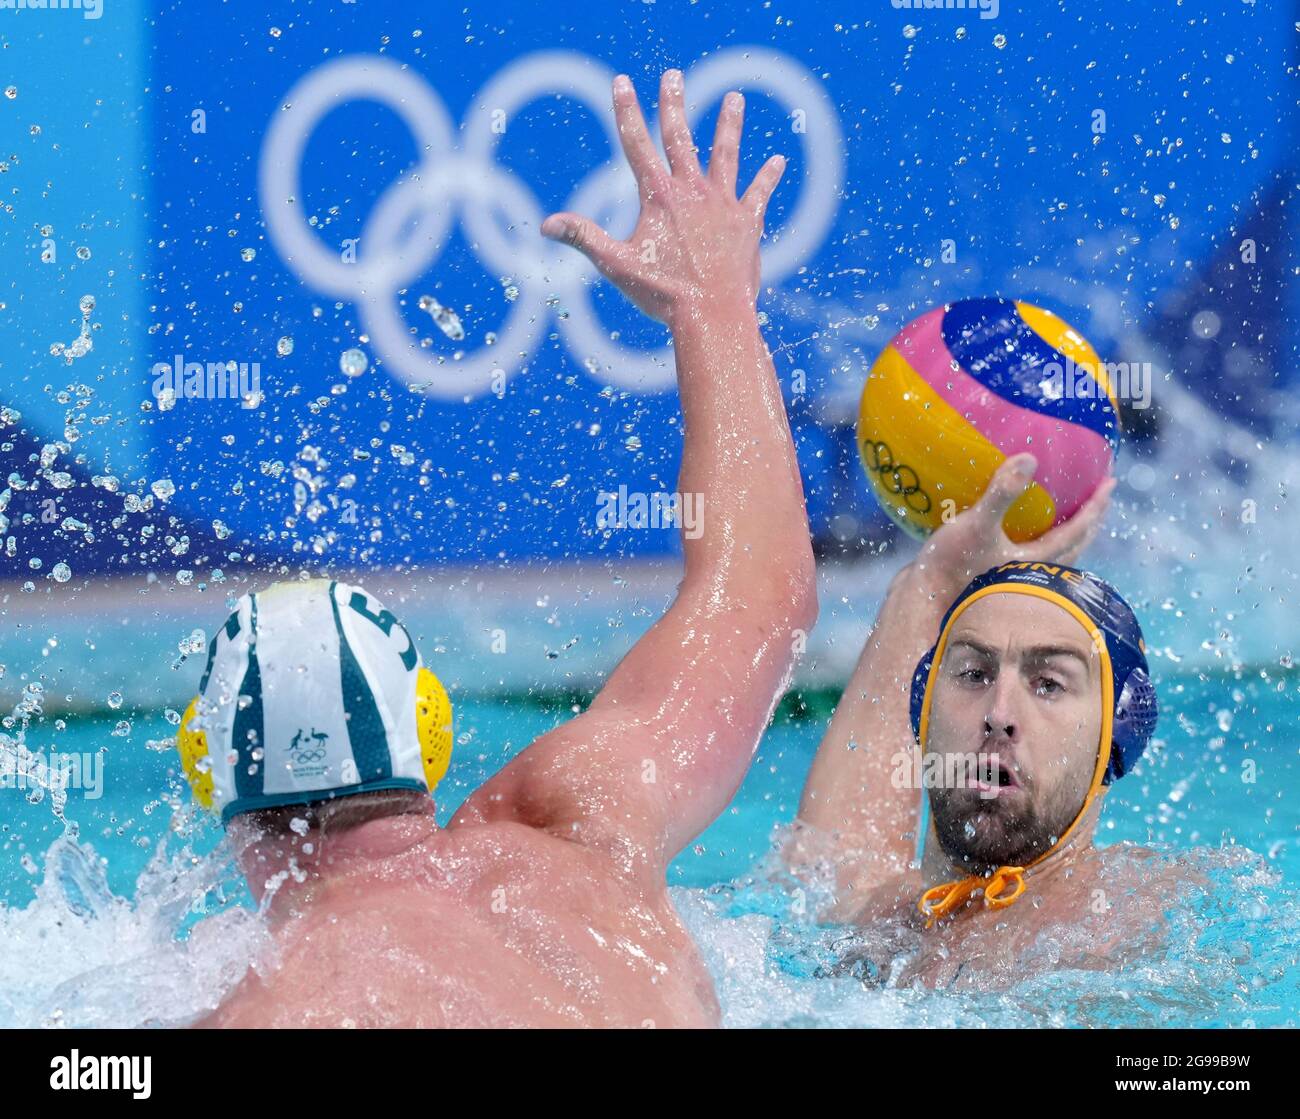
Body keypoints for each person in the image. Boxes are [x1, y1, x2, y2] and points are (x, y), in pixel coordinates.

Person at [180, 68, 816, 1028]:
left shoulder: (272, 1003)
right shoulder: (584, 823)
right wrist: (713, 308)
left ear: (212, 780)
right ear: (429, 730)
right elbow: (761, 596)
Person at [787, 456, 1168, 989]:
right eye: (972, 673)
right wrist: (932, 580)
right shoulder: (874, 915)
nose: (999, 714)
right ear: (920, 705)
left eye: (1049, 684)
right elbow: (825, 863)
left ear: (1119, 733)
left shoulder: (1135, 928)